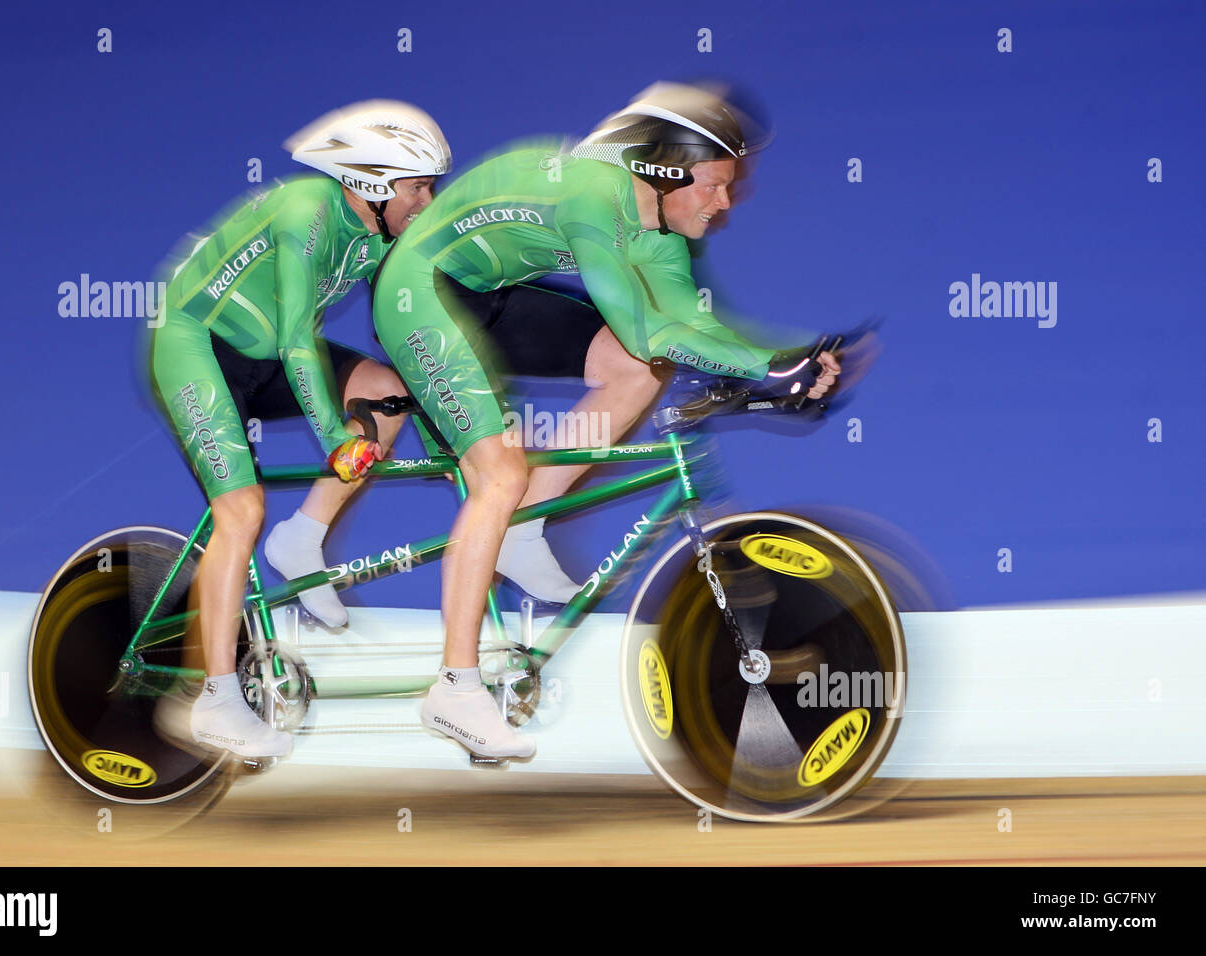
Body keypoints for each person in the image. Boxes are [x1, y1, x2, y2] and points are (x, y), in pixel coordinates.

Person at [371, 82, 841, 759]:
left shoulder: (661, 238)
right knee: (498, 476)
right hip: (419, 290)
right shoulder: (594, 196)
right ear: (664, 171)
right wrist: (764, 369)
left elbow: (688, 328)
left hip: (485, 293)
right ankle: (455, 686)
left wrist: (778, 363)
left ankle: (524, 524)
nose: (725, 202)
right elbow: (644, 323)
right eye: (712, 185)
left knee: (636, 367)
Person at [147, 101, 451, 758]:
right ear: (373, 184)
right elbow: (294, 342)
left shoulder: (379, 235)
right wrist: (336, 439)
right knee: (241, 511)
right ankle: (215, 700)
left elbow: (416, 322)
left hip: (260, 357)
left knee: (388, 393)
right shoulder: (306, 212)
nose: (429, 200)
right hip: (198, 348)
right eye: (420, 186)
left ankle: (303, 539)